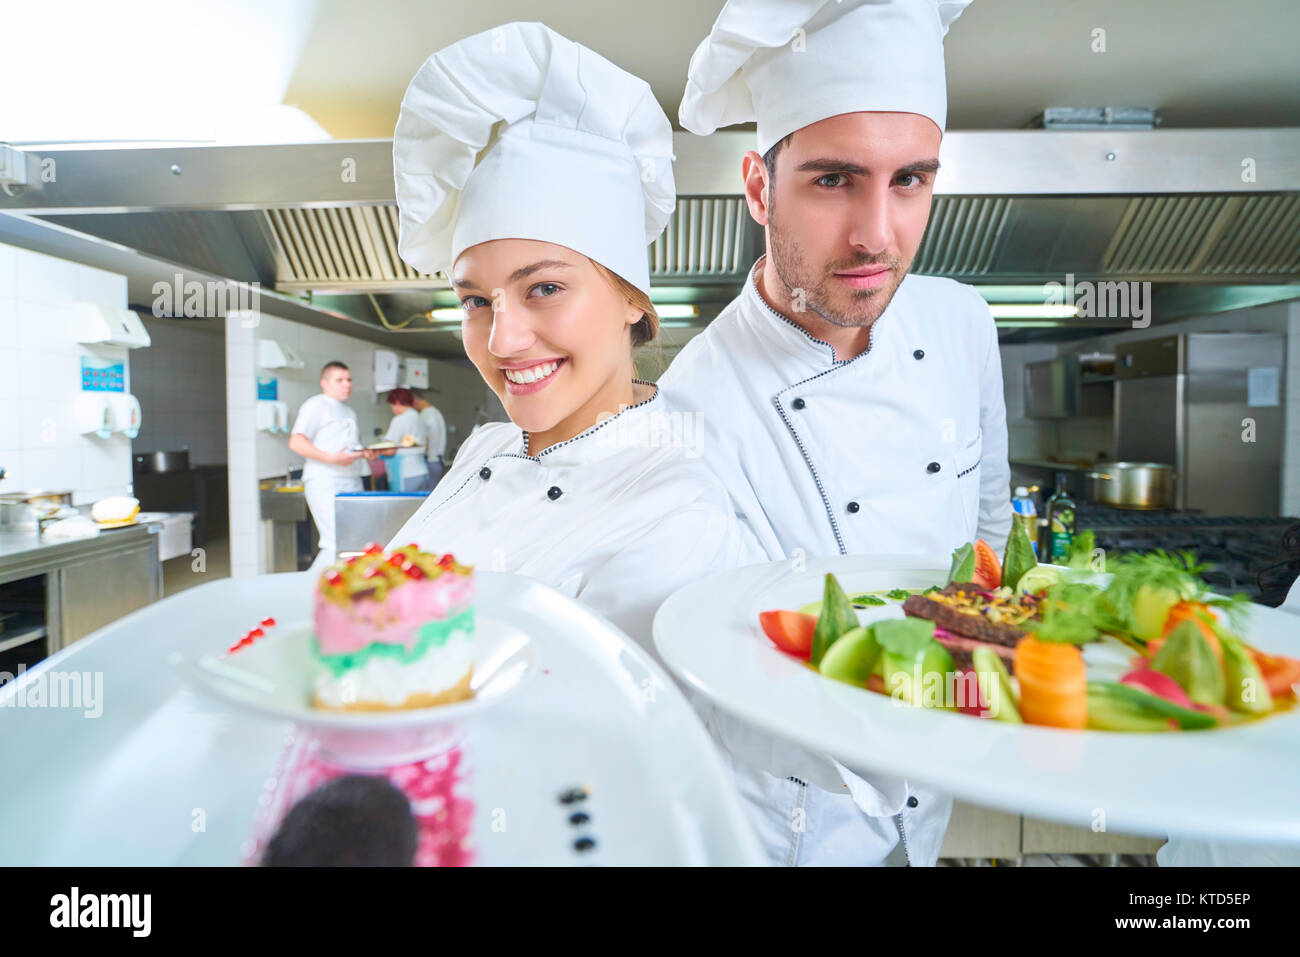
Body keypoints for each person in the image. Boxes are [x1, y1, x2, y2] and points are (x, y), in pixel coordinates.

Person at [658, 0, 1011, 866]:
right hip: (786, 822)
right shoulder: (689, 405)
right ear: (756, 186)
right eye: (832, 179)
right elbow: (707, 666)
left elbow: (985, 534)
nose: (877, 236)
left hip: (931, 797)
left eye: (910, 180)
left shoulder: (963, 322)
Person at [387, 21, 764, 651]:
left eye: (543, 288)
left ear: (630, 299)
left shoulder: (676, 513)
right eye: (477, 300)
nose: (503, 341)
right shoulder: (487, 448)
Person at [289, 362, 376, 569]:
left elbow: (347, 445)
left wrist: (364, 453)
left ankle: (340, 591)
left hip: (351, 480)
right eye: (340, 380)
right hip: (325, 481)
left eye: (349, 380)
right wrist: (330, 459)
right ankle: (313, 591)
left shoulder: (348, 412)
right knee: (336, 542)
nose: (346, 384)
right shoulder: (316, 405)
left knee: (355, 540)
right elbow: (296, 441)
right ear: (324, 383)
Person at [379, 388, 429, 492]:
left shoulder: (400, 419)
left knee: (405, 507)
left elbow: (390, 450)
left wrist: (375, 451)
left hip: (406, 473)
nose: (392, 409)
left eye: (391, 406)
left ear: (396, 403)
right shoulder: (420, 418)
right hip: (422, 471)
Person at [411, 393, 447, 490]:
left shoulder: (424, 415)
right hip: (438, 462)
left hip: (429, 462)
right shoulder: (436, 412)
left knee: (426, 500)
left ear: (415, 402)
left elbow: (424, 439)